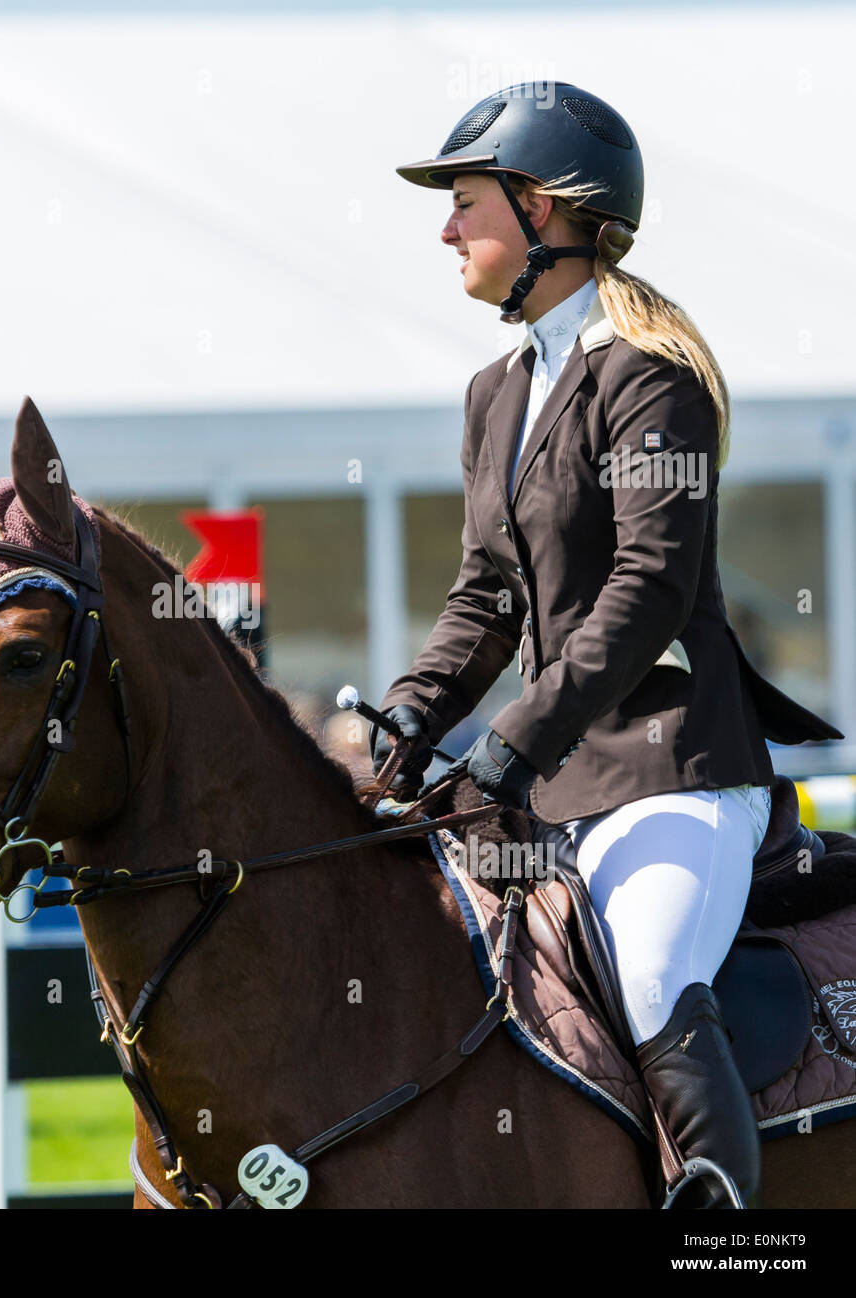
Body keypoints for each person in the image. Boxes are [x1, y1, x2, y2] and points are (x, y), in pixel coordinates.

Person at [371, 82, 843, 1208]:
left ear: (541, 210)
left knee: (646, 969)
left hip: (672, 771)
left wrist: (509, 744)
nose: (447, 228)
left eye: (466, 202)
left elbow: (646, 588)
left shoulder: (648, 378)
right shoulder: (495, 393)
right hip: (549, 788)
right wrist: (404, 718)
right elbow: (486, 596)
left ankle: (722, 1225)